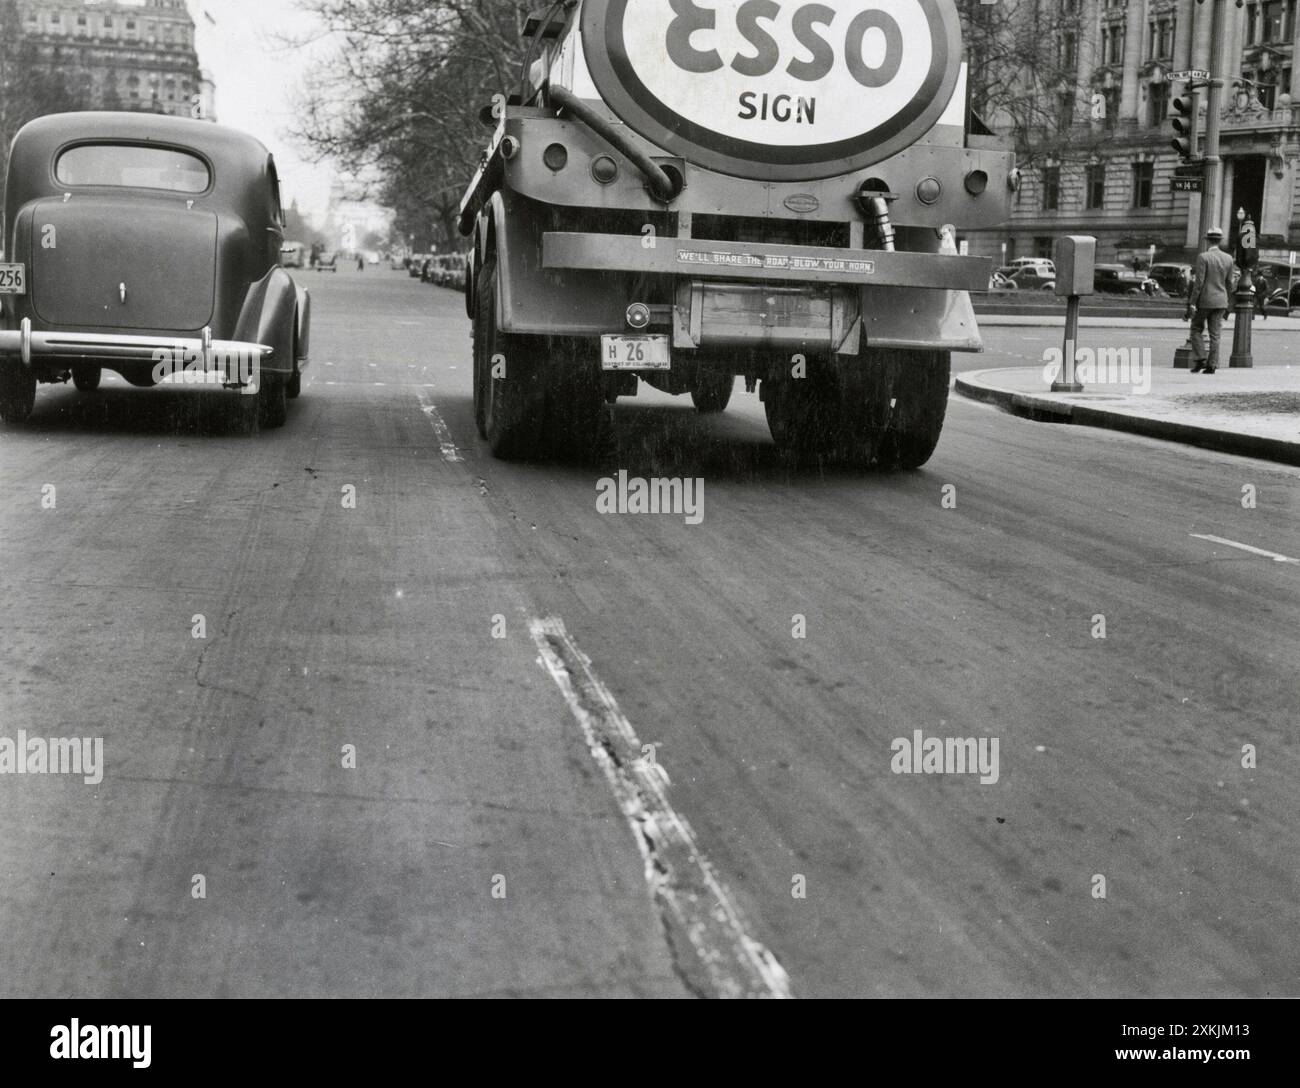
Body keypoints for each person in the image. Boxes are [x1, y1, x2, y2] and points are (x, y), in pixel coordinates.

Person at [1185, 226, 1235, 373]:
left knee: (1196, 329)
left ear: (1208, 241)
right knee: (1215, 334)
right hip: (1221, 300)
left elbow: (1199, 282)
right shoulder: (1228, 258)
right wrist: (1228, 303)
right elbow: (1230, 283)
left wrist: (1192, 302)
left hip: (1205, 300)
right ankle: (1212, 365)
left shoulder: (1203, 257)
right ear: (1219, 241)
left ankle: (1200, 358)